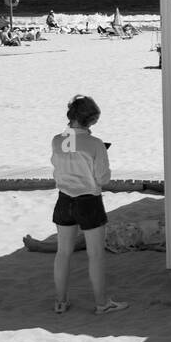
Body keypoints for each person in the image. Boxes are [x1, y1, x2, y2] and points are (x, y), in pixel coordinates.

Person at [49, 95, 128, 315]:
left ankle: (60, 301)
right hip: (89, 201)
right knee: (95, 255)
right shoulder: (95, 144)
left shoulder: (57, 140)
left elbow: (61, 161)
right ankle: (102, 303)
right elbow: (102, 179)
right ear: (90, 120)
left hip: (64, 199)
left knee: (63, 252)